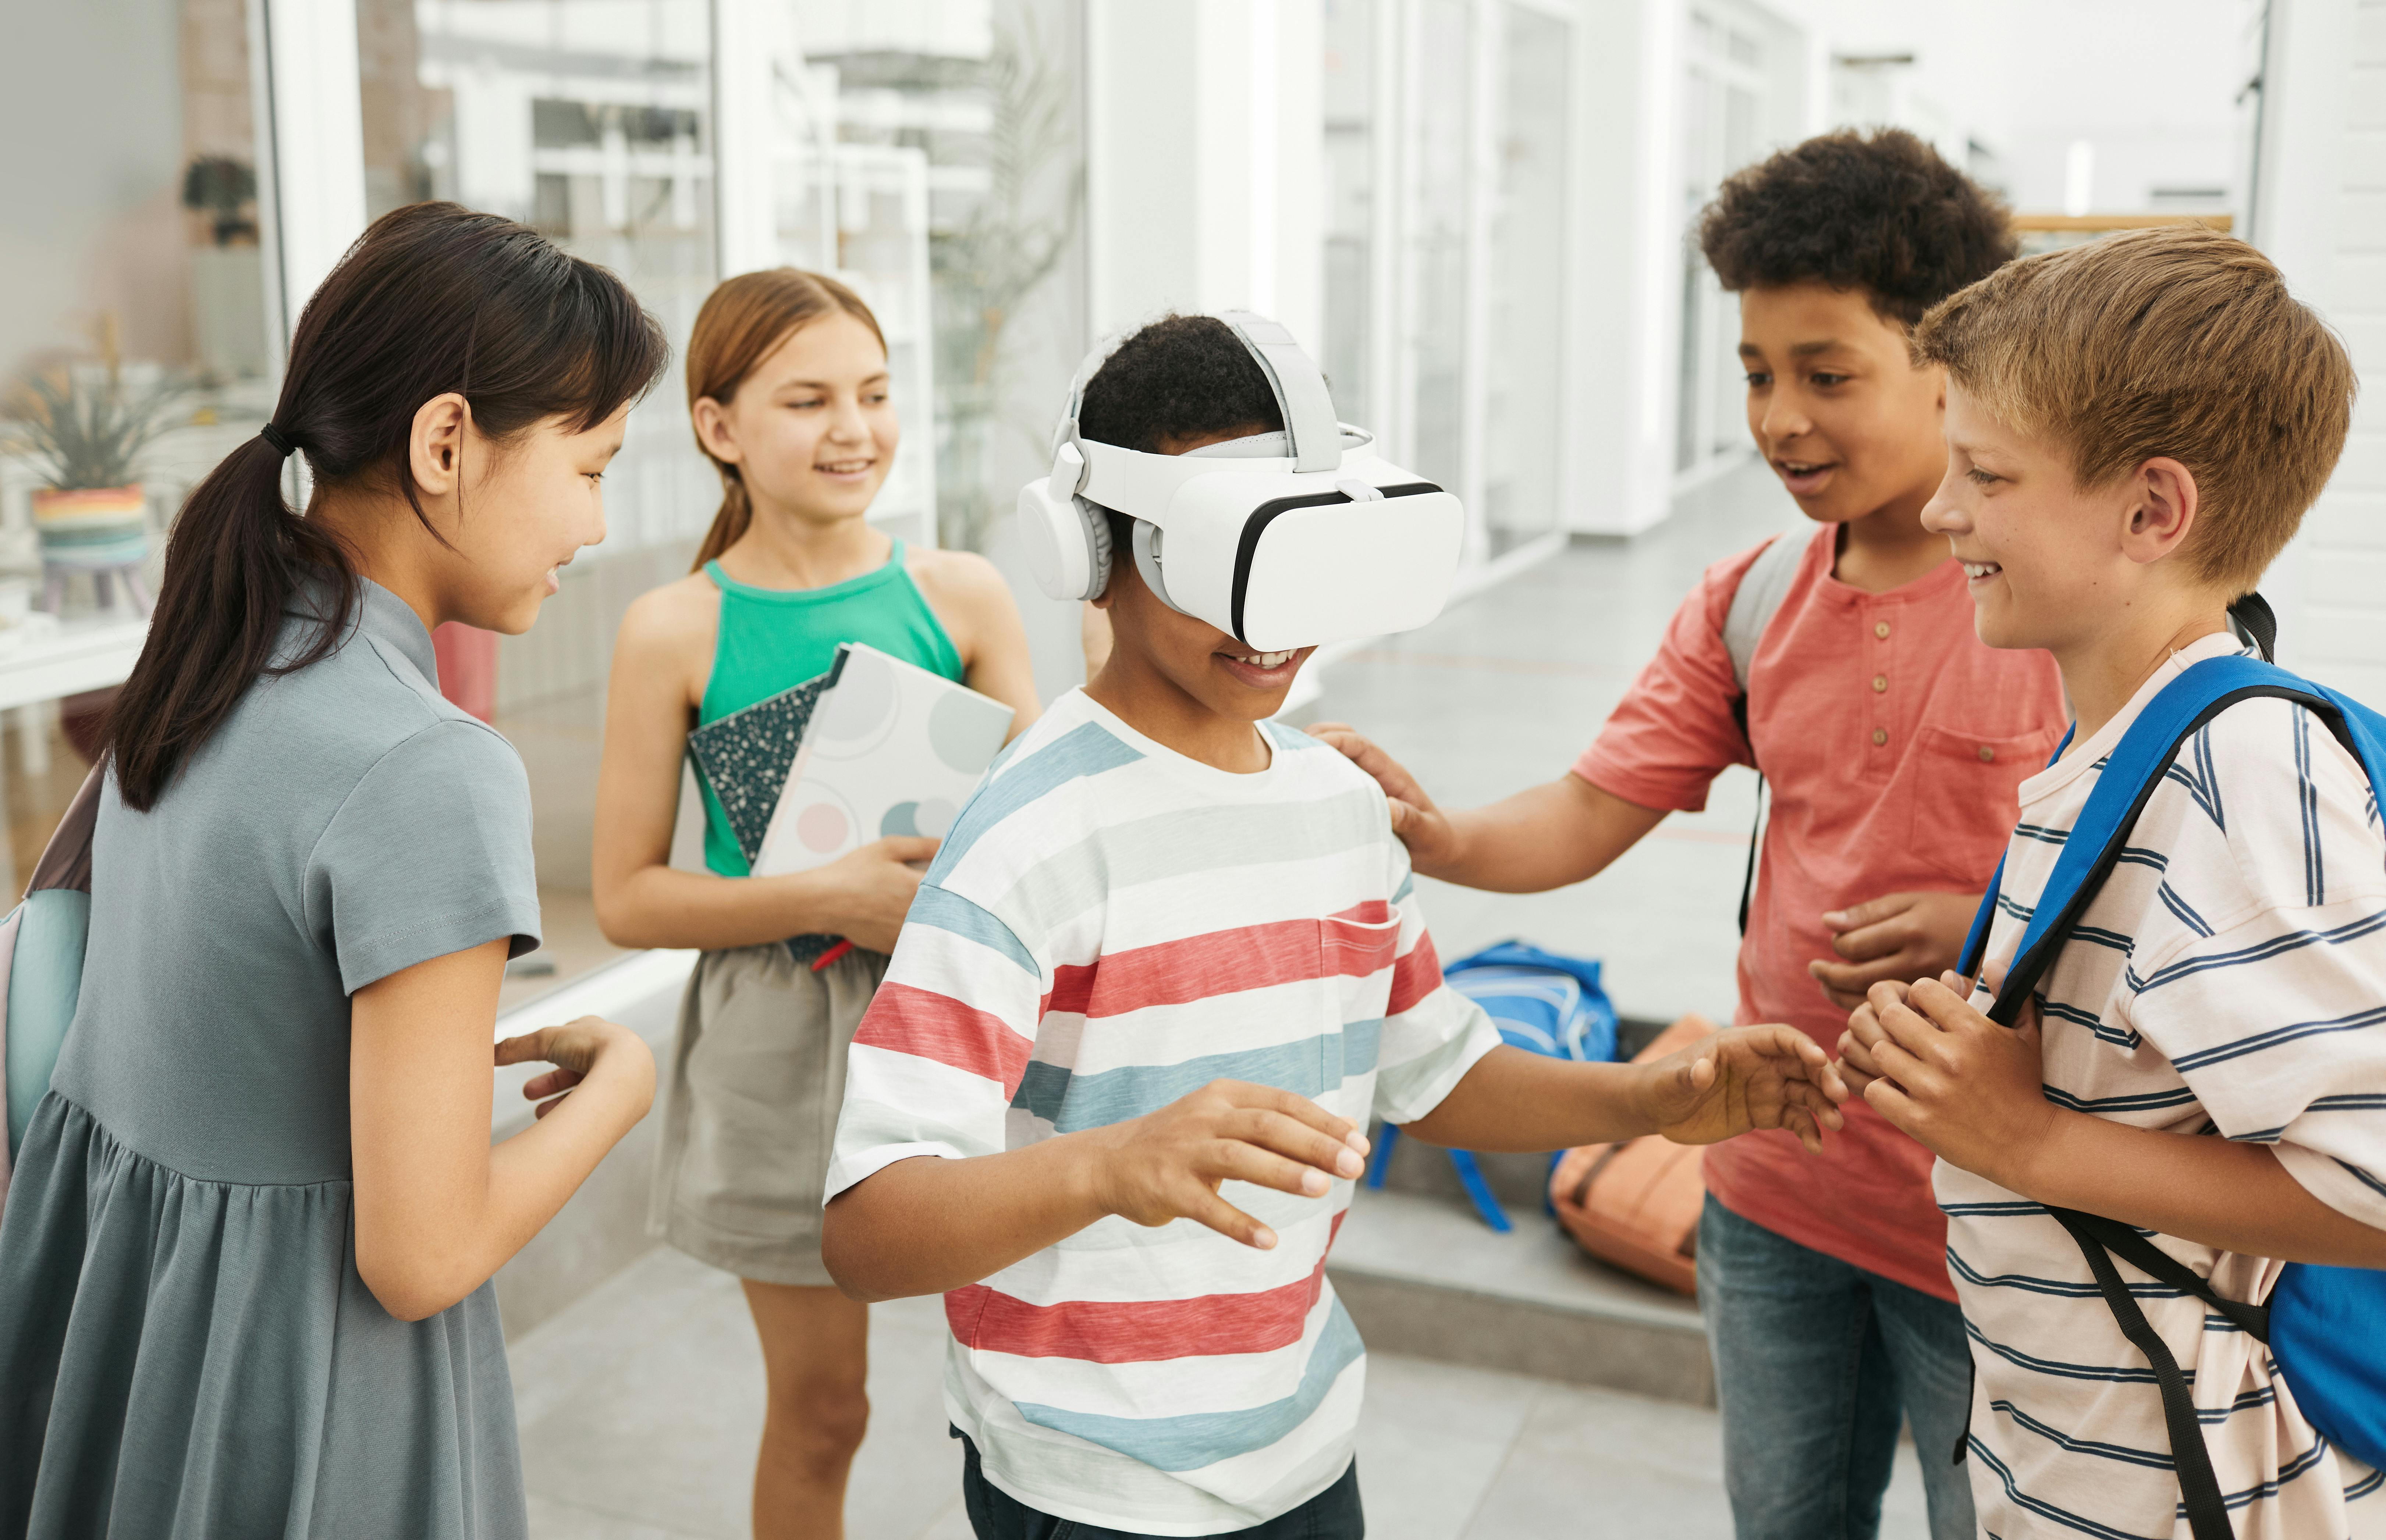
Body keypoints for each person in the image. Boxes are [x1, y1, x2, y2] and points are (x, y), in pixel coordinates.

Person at [817, 314, 1850, 1540]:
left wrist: (1647, 1099)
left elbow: (1432, 1070)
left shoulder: (1341, 801)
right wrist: (1104, 1163)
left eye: (1301, 554)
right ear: (1094, 543)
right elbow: (868, 1227)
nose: (1273, 615)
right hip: (1089, 1482)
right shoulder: (1028, 834)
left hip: (1303, 1443)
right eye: (1222, 558)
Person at [1311, 128, 2061, 1540]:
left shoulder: (2058, 599)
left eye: (1827, 373)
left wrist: (1984, 922)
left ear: (1955, 363)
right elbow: (1593, 810)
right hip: (1778, 1192)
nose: (1780, 418)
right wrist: (1435, 831)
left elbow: (2176, 887)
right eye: (1759, 373)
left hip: (2006, 1224)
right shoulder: (1752, 594)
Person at [0, 202, 664, 1537]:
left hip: (115, 1343)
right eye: (591, 470)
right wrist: (624, 1090)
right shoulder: (428, 764)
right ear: (444, 443)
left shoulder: (211, 653)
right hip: (297, 1391)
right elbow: (420, 1256)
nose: (597, 525)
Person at [1840, 227, 2386, 1538]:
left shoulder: (2239, 773)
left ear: (2153, 511)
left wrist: (2026, 1139)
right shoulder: (2131, 744)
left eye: (1985, 472)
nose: (1939, 509)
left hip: (2190, 1488)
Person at [591, 268, 1040, 1540]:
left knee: (1024, 1371)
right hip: (777, 1038)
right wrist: (826, 890)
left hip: (959, 1009)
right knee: (825, 1410)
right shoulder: (673, 628)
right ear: (721, 427)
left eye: (876, 393)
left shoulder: (962, 595)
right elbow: (625, 897)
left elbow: (1043, 823)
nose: (855, 428)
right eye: (809, 400)